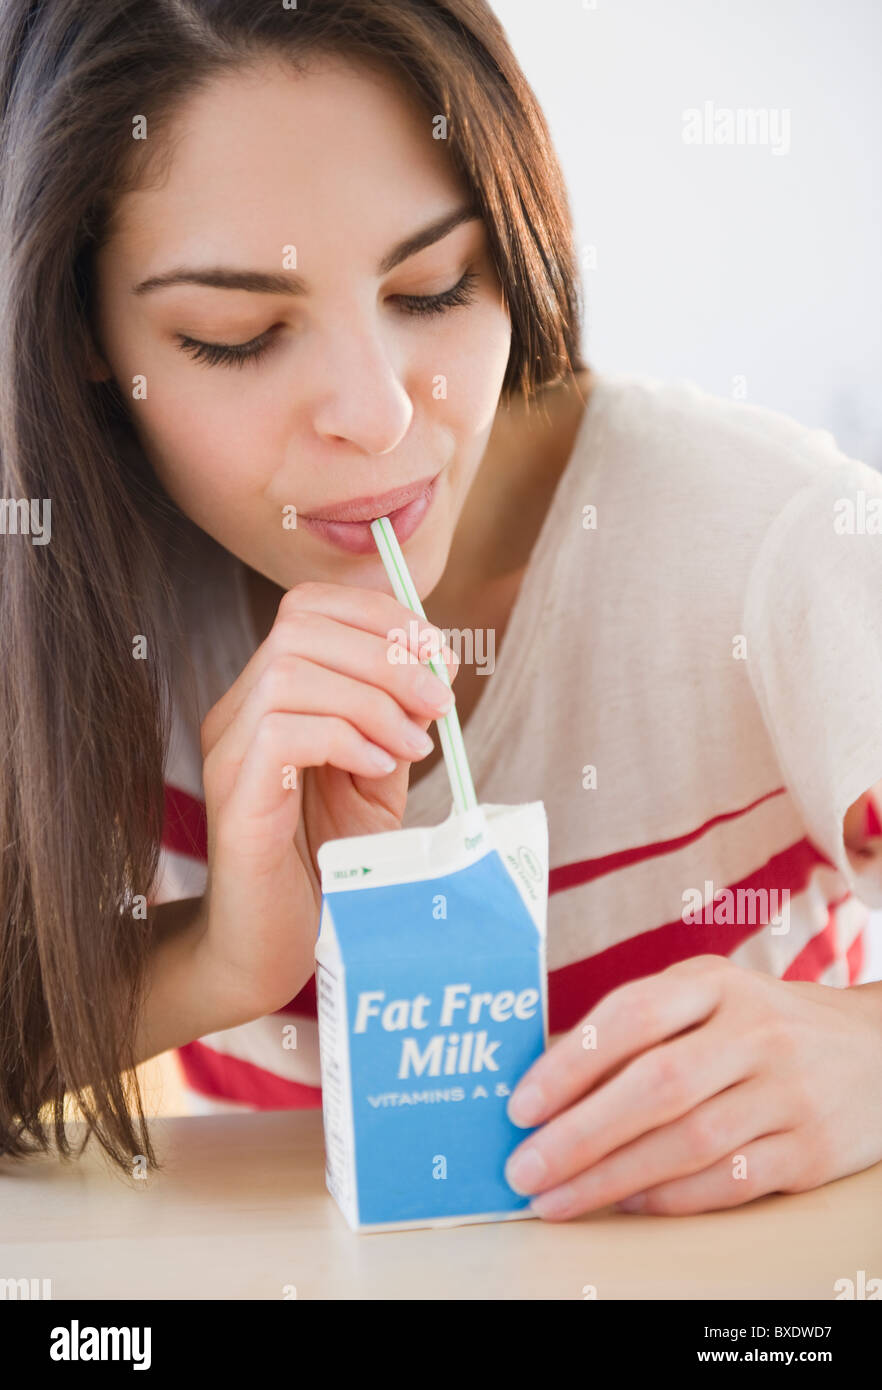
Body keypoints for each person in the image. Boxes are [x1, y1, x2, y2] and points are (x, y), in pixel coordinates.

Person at [2, 0, 881, 1223]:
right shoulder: (66, 578)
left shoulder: (776, 550)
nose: (379, 415)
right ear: (80, 332)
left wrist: (867, 1057)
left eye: (434, 287)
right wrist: (214, 960)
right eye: (236, 337)